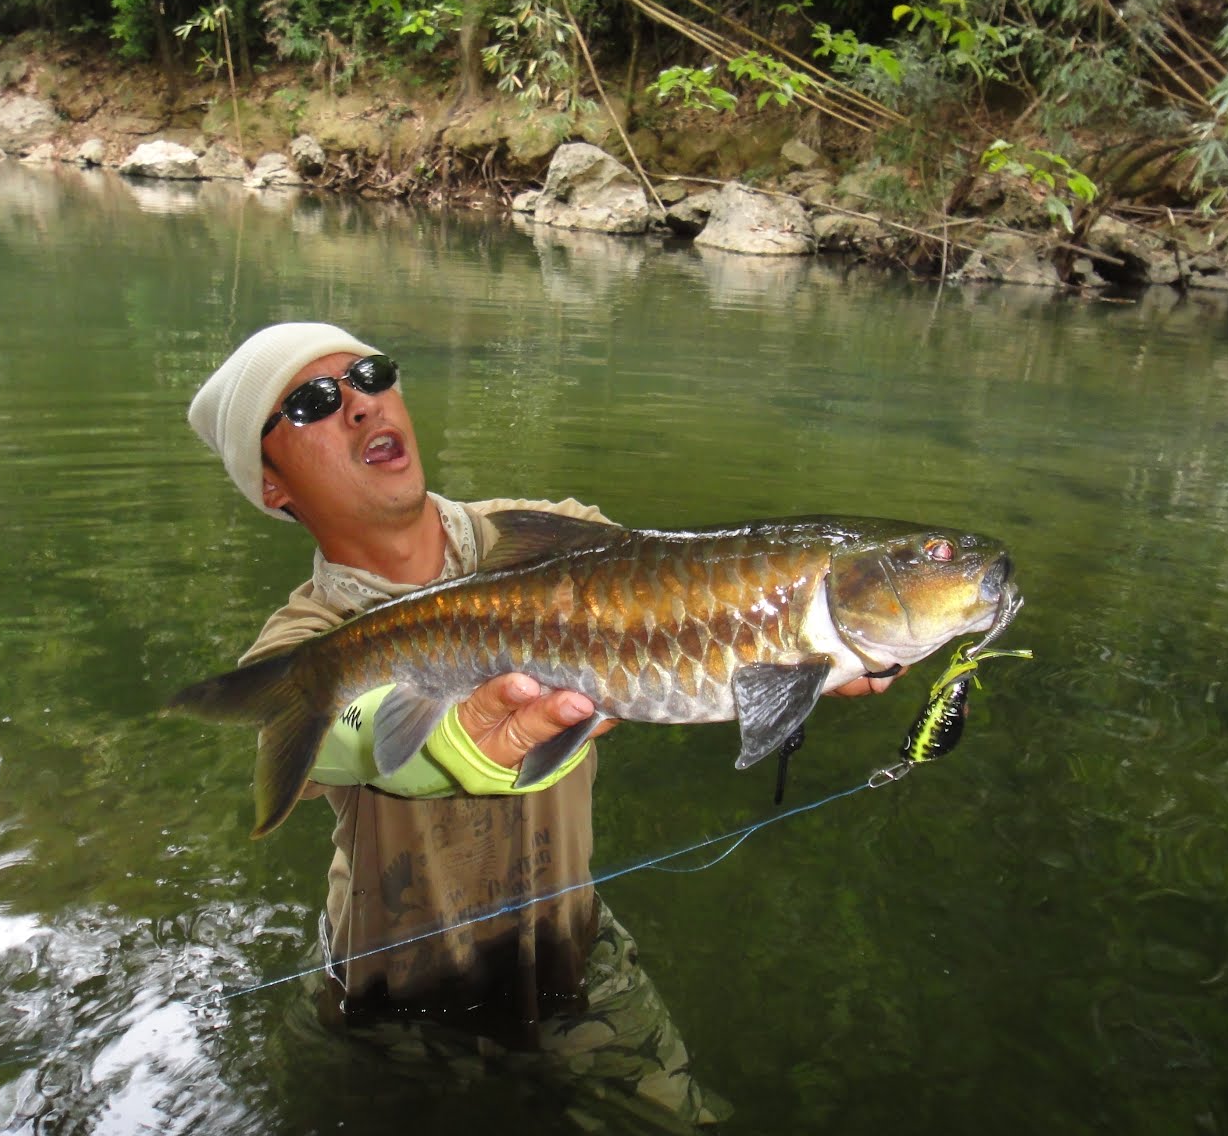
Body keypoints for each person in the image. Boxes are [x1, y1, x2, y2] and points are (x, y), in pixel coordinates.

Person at [187, 321, 901, 1123]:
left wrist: (814, 647)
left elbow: (692, 602)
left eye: (372, 374)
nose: (360, 404)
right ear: (271, 484)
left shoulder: (557, 536)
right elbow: (341, 742)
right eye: (314, 400)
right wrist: (453, 746)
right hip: (388, 993)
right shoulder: (300, 644)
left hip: (574, 960)